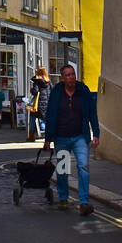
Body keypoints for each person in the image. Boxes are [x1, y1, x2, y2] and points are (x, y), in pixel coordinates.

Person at [43, 63, 100, 214]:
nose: (71, 77)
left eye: (73, 74)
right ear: (62, 79)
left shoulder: (83, 90)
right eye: (67, 75)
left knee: (83, 167)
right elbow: (50, 115)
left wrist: (96, 134)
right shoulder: (56, 92)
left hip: (80, 136)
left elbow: (92, 113)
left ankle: (84, 202)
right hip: (61, 137)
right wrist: (47, 138)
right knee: (63, 170)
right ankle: (63, 198)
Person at [28, 65, 51, 142]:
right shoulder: (48, 81)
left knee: (32, 117)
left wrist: (31, 90)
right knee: (47, 119)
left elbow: (35, 91)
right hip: (47, 103)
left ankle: (31, 136)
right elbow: (52, 90)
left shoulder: (37, 81)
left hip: (38, 104)